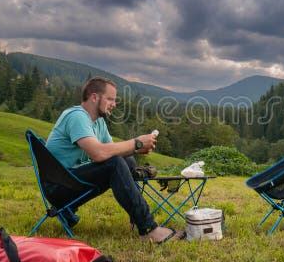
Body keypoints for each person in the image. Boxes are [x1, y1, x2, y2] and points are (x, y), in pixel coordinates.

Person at [46, 76, 184, 243]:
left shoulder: (98, 122)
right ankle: (149, 229)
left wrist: (136, 149)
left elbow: (112, 151)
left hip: (72, 182)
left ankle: (137, 220)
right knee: (115, 164)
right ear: (94, 97)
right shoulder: (77, 116)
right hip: (59, 187)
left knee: (127, 160)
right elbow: (98, 153)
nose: (114, 104)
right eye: (110, 99)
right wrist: (136, 142)